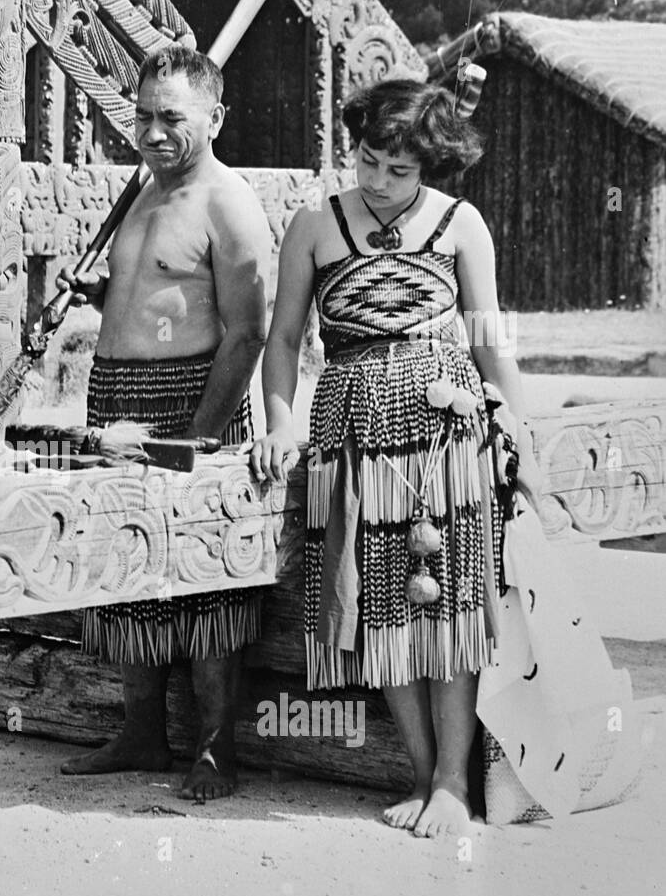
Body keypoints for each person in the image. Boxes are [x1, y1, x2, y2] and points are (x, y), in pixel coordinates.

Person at [250, 78, 541, 837]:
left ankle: (453, 783)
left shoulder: (460, 224)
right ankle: (421, 774)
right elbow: (282, 342)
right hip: (350, 432)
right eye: (367, 160)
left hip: (446, 435)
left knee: (448, 605)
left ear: (431, 164)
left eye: (398, 170)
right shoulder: (315, 224)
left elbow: (487, 342)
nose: (377, 182)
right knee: (377, 606)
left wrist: (521, 436)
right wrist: (280, 422)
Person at [55, 46, 273, 801]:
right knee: (125, 564)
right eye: (142, 115)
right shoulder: (140, 192)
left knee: (207, 575)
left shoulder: (229, 203)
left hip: (194, 398)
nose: (150, 132)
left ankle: (216, 750)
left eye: (170, 118)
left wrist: (204, 434)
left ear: (215, 117)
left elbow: (247, 332)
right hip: (116, 396)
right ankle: (141, 732)